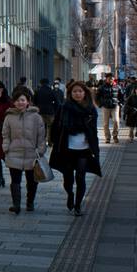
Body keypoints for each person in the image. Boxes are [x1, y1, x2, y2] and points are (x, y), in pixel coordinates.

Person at [49, 80, 102, 216]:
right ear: (70, 93)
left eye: (80, 91)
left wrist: (96, 149)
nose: (77, 94)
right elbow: (55, 126)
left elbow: (93, 131)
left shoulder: (91, 110)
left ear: (85, 93)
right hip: (67, 149)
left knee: (80, 176)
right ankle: (70, 194)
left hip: (84, 150)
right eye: (74, 92)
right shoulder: (64, 107)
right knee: (68, 179)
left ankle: (78, 205)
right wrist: (52, 142)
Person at [2, 87, 47, 214]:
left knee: (32, 181)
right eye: (17, 100)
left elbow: (41, 135)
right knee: (15, 181)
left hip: (32, 153)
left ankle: (30, 202)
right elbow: (5, 134)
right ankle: (16, 204)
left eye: (22, 100)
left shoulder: (36, 117)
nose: (19, 103)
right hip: (14, 152)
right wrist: (6, 148)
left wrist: (41, 149)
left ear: (28, 101)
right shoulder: (9, 117)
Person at [97, 74, 120, 143]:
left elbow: (121, 95)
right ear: (106, 79)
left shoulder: (117, 87)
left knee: (116, 121)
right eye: (109, 78)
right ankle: (107, 137)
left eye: (112, 78)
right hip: (106, 107)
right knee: (105, 123)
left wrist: (120, 103)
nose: (111, 80)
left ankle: (115, 136)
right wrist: (100, 104)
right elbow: (97, 97)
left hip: (115, 106)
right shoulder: (102, 87)